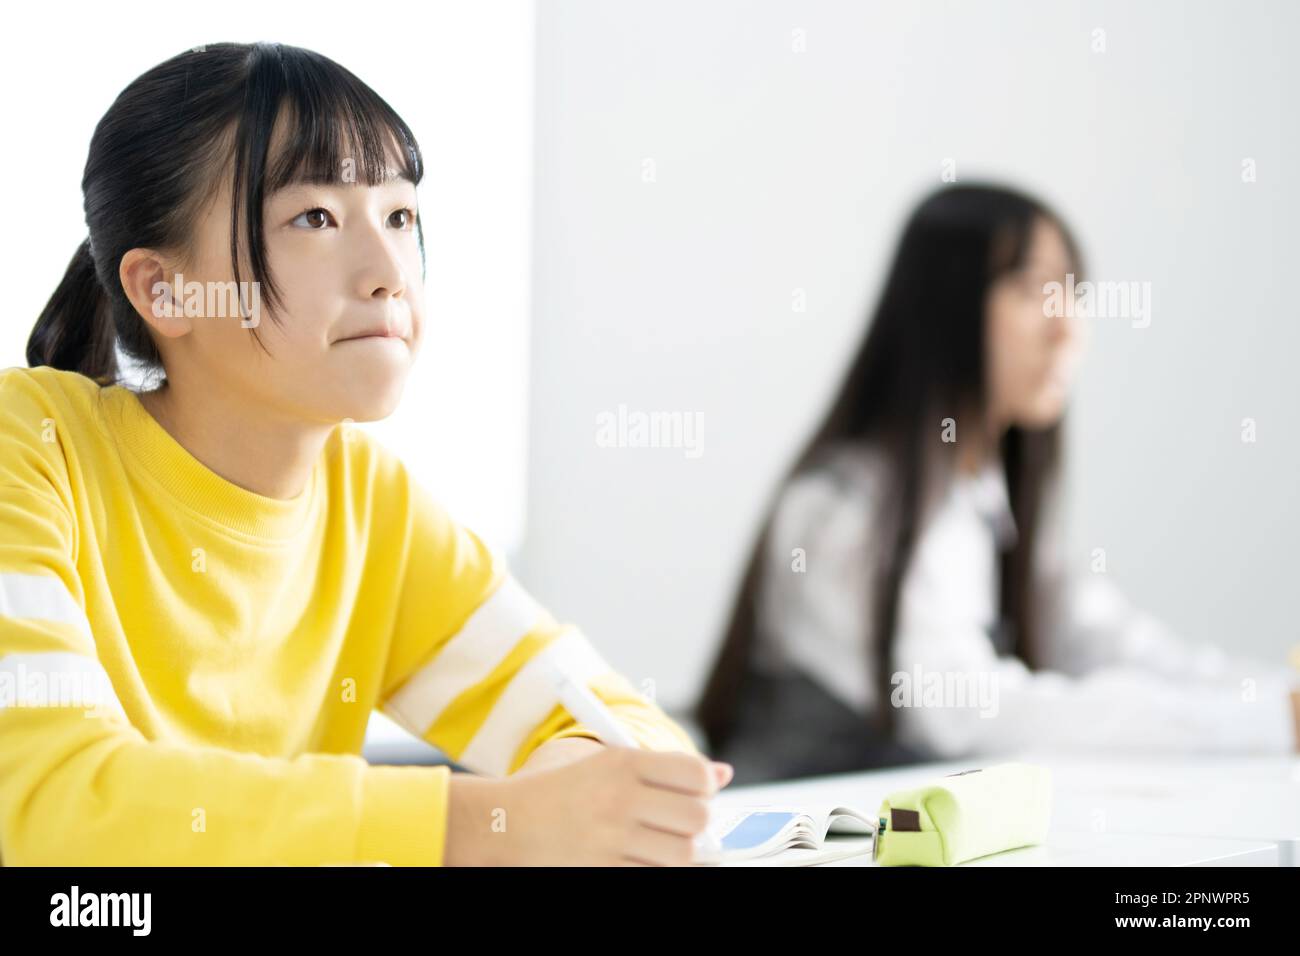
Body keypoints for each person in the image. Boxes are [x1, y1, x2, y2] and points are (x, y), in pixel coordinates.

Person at [1, 41, 731, 866]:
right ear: (162, 289)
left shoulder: (364, 498)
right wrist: (489, 824)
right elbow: (44, 803)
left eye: (400, 216)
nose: (389, 272)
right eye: (314, 218)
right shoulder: (30, 443)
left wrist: (573, 782)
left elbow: (632, 736)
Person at [695, 183, 1300, 784]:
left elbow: (1105, 640)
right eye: (1034, 289)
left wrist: (1273, 697)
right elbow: (978, 715)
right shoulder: (840, 511)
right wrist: (1264, 721)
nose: (1068, 326)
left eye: (1074, 291)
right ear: (946, 309)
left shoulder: (986, 501)